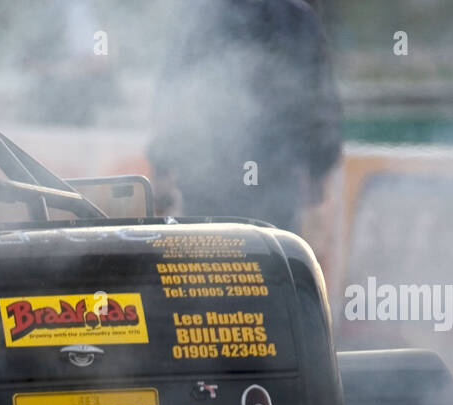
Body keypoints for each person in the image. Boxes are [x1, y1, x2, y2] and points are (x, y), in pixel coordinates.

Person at [146, 0, 342, 233]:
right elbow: (318, 98)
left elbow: (171, 93)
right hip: (269, 179)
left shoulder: (196, 11)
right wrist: (319, 171)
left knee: (208, 260)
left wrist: (161, 168)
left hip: (212, 176)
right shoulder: (295, 16)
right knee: (273, 260)